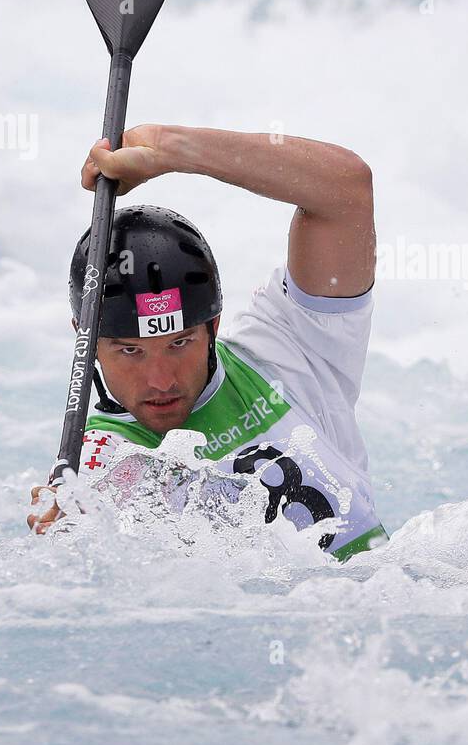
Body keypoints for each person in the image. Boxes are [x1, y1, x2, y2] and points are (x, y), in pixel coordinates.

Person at [26, 123, 387, 560]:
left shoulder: (289, 349)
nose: (160, 380)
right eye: (130, 350)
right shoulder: (99, 465)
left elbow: (345, 190)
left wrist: (172, 150)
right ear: (86, 342)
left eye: (179, 343)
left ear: (213, 326)